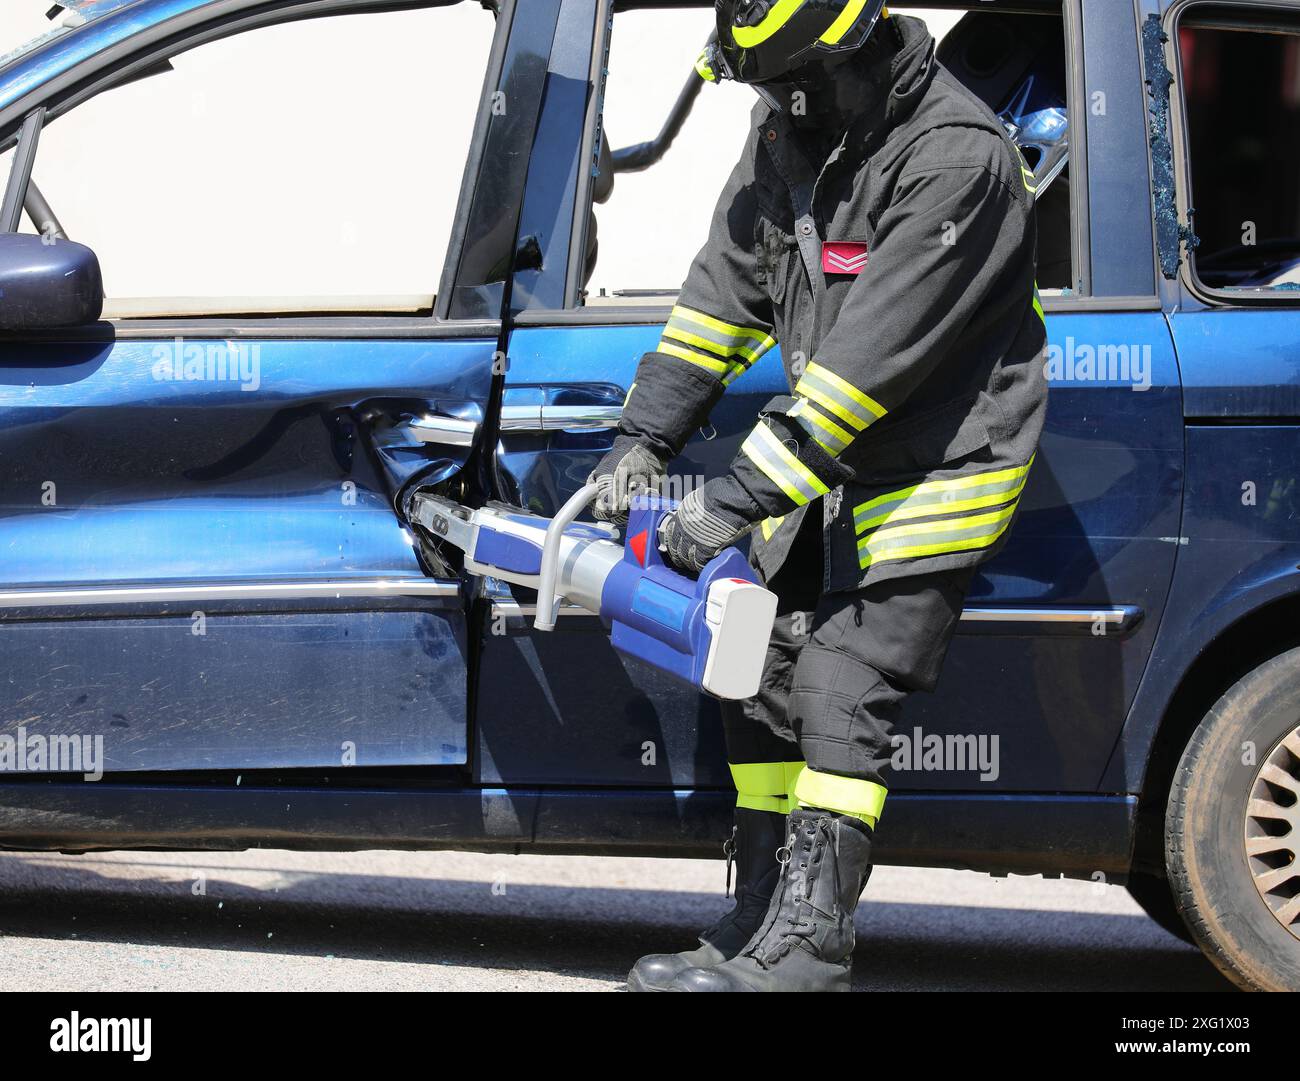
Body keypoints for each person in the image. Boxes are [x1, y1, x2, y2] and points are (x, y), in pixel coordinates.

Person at [591, 1, 1048, 992]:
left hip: (936, 464)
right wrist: (643, 436)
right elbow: (721, 296)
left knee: (841, 680)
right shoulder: (799, 127)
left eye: (784, 87)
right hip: (827, 458)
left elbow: (863, 372)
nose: (771, 106)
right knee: (748, 657)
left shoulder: (955, 158)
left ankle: (811, 947)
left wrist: (731, 500)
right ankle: (758, 918)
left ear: (848, 54)